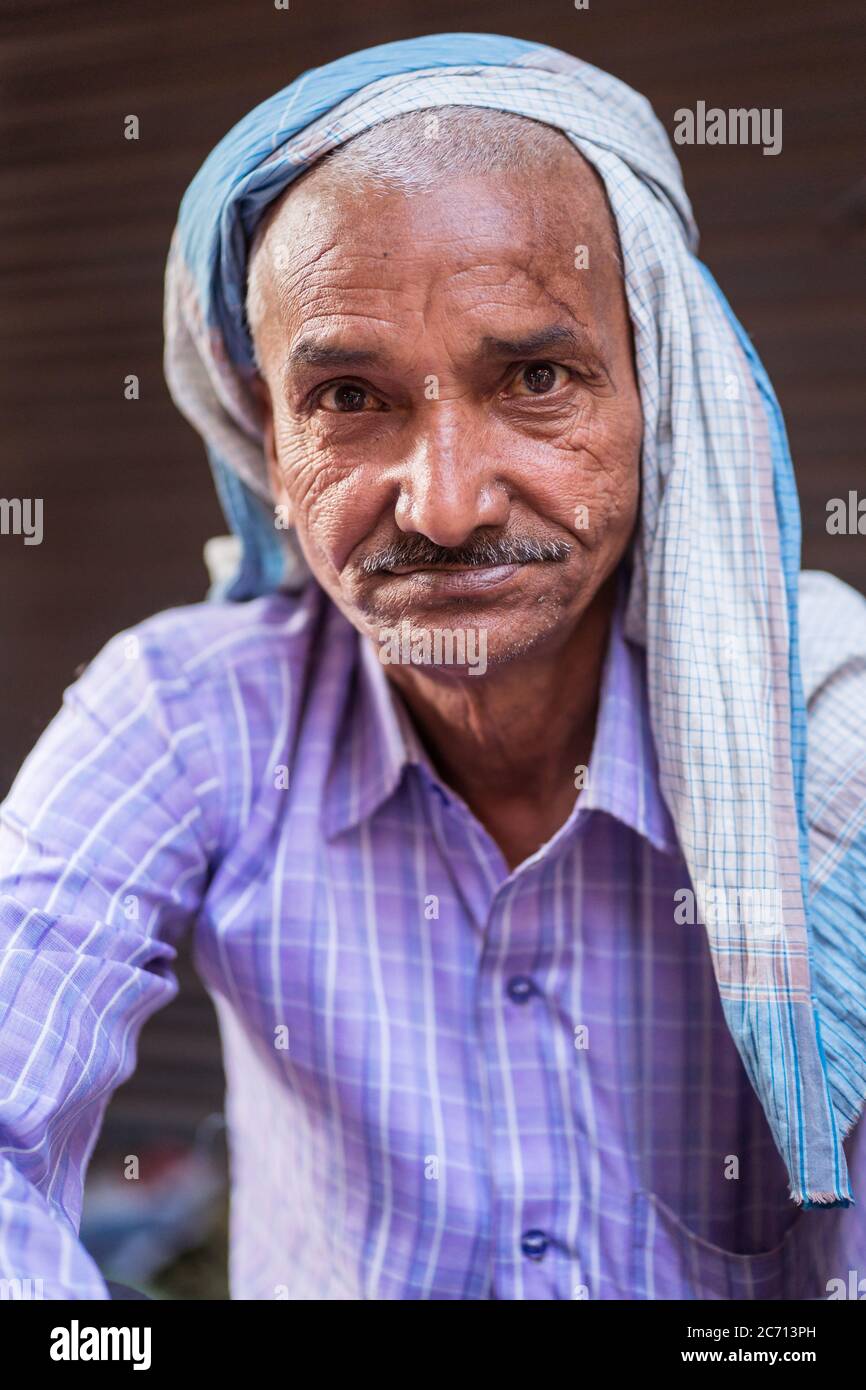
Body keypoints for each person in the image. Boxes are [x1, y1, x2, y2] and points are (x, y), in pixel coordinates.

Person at [1, 32, 865, 1300]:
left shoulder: (826, 731)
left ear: (655, 389)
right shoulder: (189, 716)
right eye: (350, 398)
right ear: (265, 434)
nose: (446, 505)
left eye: (534, 376)